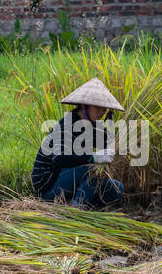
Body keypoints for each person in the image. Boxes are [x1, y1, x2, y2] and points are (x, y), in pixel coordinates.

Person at [31, 78, 125, 208]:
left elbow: (107, 144)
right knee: (93, 171)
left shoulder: (92, 125)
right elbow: (59, 159)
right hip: (49, 186)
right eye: (98, 107)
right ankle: (76, 211)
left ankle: (79, 206)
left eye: (104, 109)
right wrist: (94, 157)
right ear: (84, 105)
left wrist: (109, 125)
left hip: (68, 180)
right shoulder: (67, 123)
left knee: (117, 188)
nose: (101, 111)